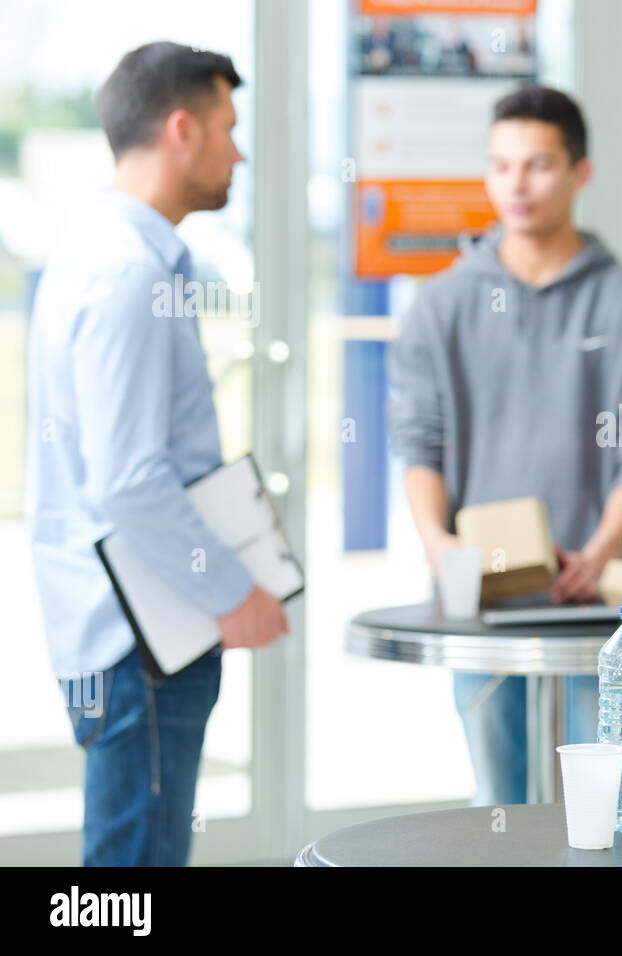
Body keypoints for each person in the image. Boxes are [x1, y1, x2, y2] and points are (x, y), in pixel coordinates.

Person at [24, 42, 289, 866]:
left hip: (130, 635)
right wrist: (232, 589)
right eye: (228, 129)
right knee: (131, 883)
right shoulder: (129, 274)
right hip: (140, 641)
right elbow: (131, 480)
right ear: (182, 129)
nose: (238, 152)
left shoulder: (107, 254)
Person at [388, 86, 622, 806]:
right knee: (502, 805)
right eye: (501, 165)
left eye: (539, 164)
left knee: (610, 805)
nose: (516, 185)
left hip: (603, 612)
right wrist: (438, 548)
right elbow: (418, 443)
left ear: (581, 173)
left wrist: (598, 551)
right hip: (484, 607)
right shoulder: (442, 302)